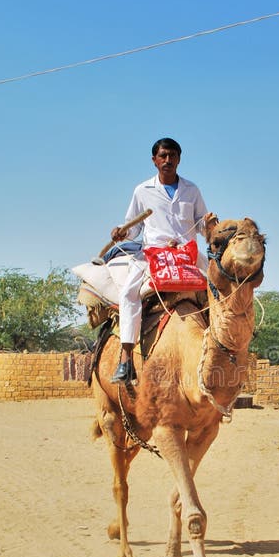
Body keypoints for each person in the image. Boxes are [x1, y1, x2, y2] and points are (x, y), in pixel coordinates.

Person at [110, 137, 209, 384]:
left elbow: (203, 225)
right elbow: (132, 228)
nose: (168, 160)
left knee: (221, 287)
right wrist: (122, 232)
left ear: (179, 159)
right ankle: (125, 360)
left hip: (187, 253)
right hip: (154, 253)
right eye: (163, 156)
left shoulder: (192, 190)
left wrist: (212, 224)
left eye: (172, 155)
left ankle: (229, 351)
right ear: (154, 160)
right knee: (129, 294)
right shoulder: (142, 191)